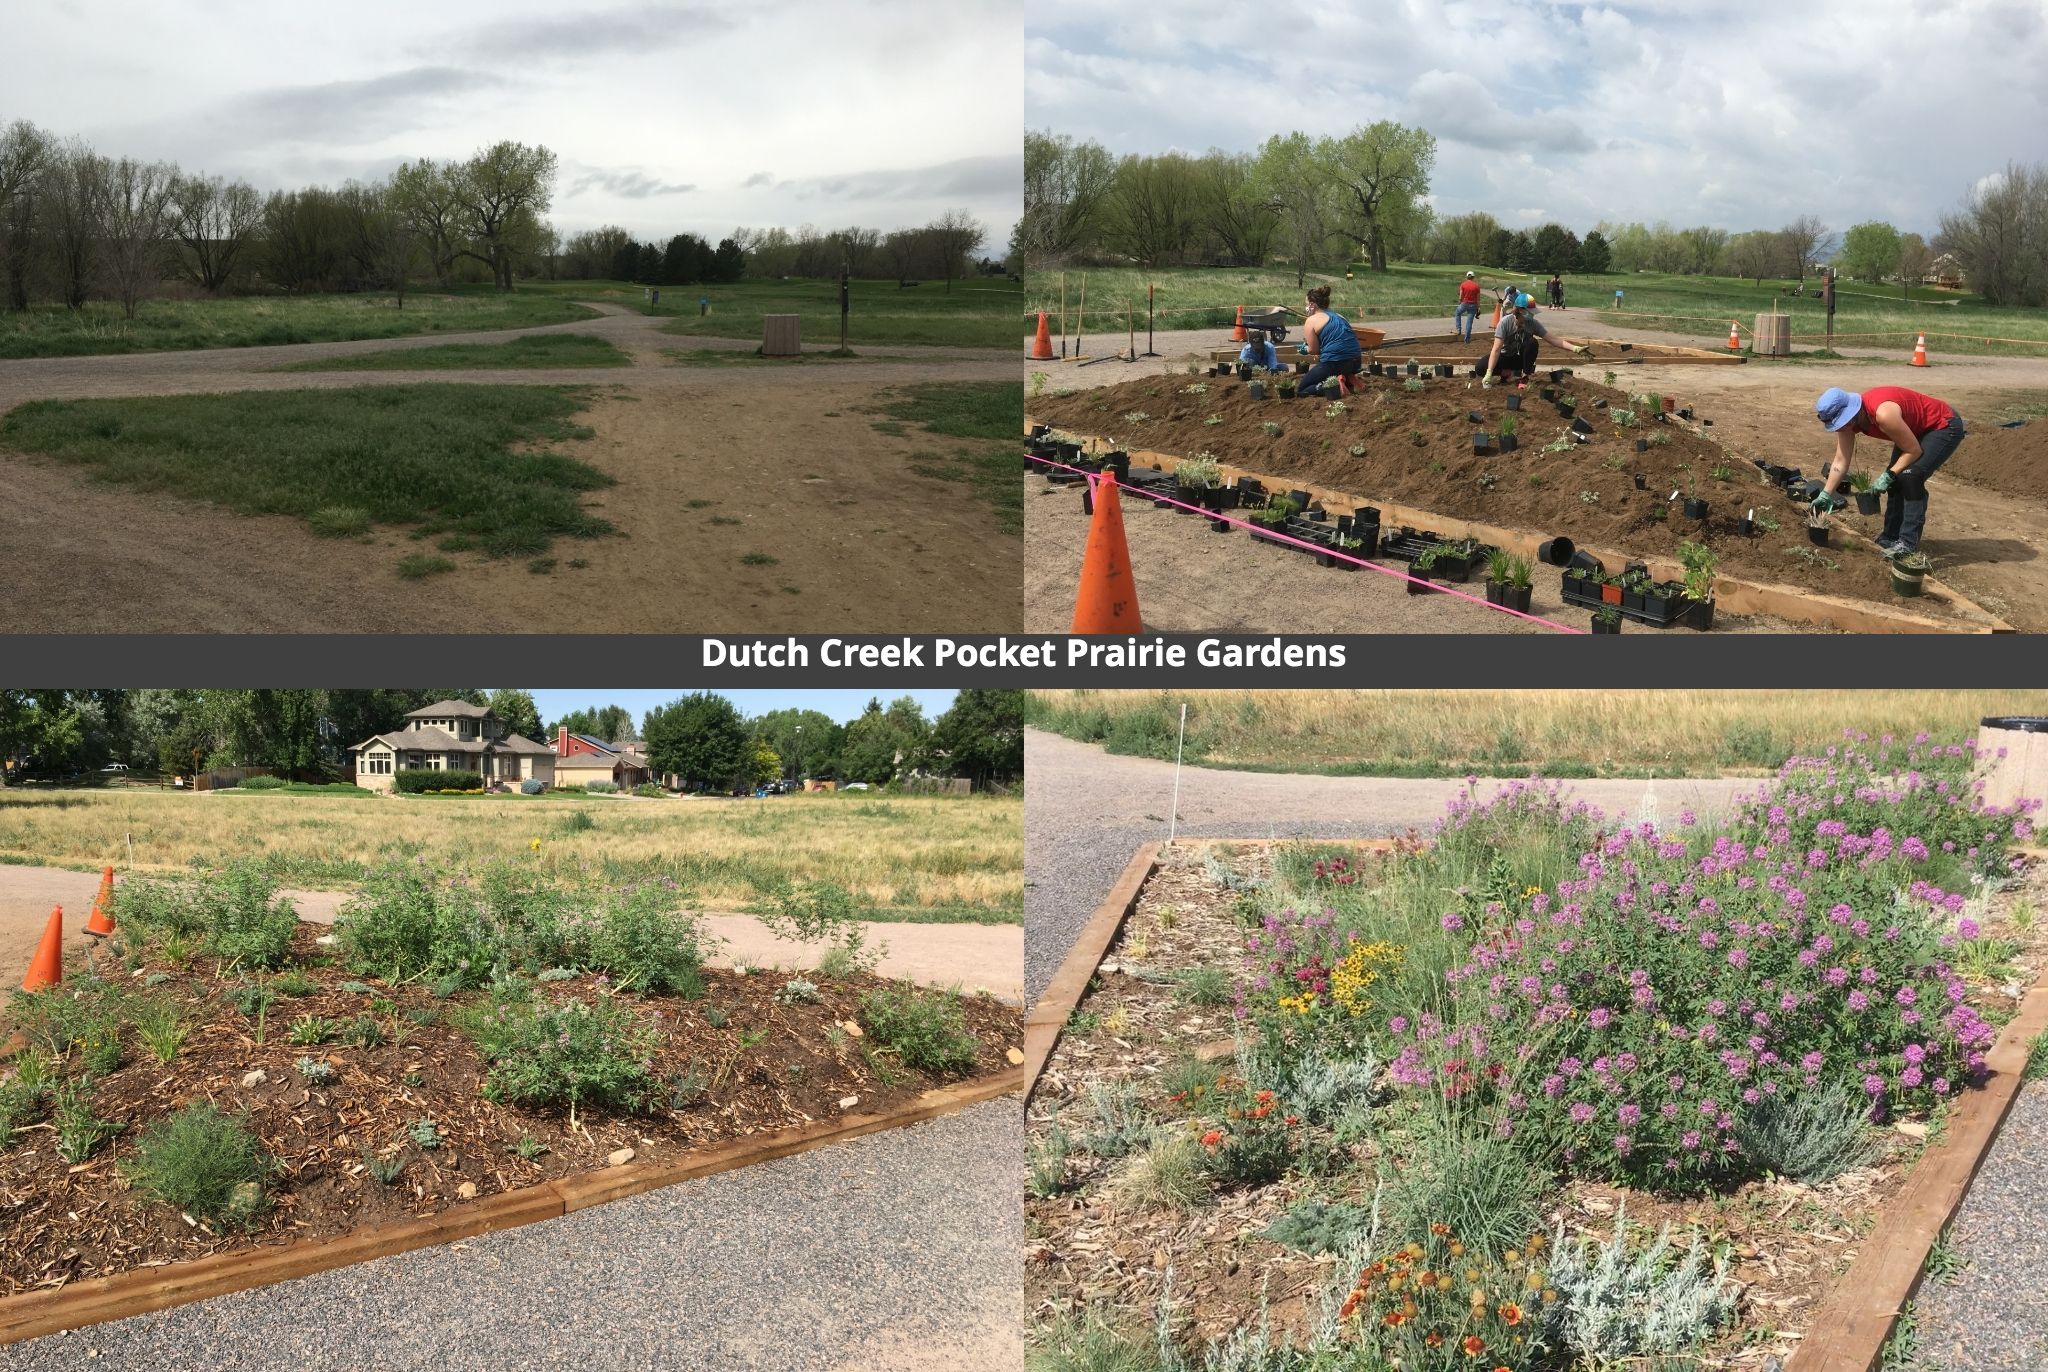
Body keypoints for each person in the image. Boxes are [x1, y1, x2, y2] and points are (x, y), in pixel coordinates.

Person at [1810, 385, 1967, 557]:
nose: (1839, 428)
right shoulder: (1849, 424)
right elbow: (1840, 461)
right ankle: (1890, 537)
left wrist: (1889, 474)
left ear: (1851, 415)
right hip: (1914, 429)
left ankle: (1907, 544)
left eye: (1840, 424)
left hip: (1942, 426)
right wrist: (1826, 493)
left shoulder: (1883, 414)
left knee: (1910, 476)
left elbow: (1913, 451)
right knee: (1894, 480)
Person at [1482, 292, 1592, 384]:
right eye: (1530, 312)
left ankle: (1524, 376)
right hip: (1504, 356)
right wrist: (1489, 372)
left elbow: (1554, 339)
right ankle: (1505, 372)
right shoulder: (1505, 323)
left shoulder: (1532, 324)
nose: (1532, 315)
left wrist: (1575, 348)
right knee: (1480, 368)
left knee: (1532, 342)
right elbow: (1496, 350)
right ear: (1520, 310)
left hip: (1520, 359)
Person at [1295, 285, 1363, 397]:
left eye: (1306, 304)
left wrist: (1305, 349)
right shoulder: (1339, 316)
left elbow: (1314, 350)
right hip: (1356, 360)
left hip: (1336, 362)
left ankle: (1334, 386)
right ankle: (1347, 378)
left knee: (1302, 389)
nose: (1306, 307)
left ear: (1312, 305)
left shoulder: (1311, 320)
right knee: (1331, 369)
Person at [1454, 271, 1482, 343]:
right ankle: (1467, 340)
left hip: (1464, 303)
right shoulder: (1477, 286)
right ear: (1473, 277)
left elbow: (1460, 297)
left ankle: (1458, 329)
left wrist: (1460, 303)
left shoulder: (1463, 284)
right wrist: (1479, 308)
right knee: (1469, 322)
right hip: (1473, 305)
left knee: (1457, 313)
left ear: (1467, 277)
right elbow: (1478, 299)